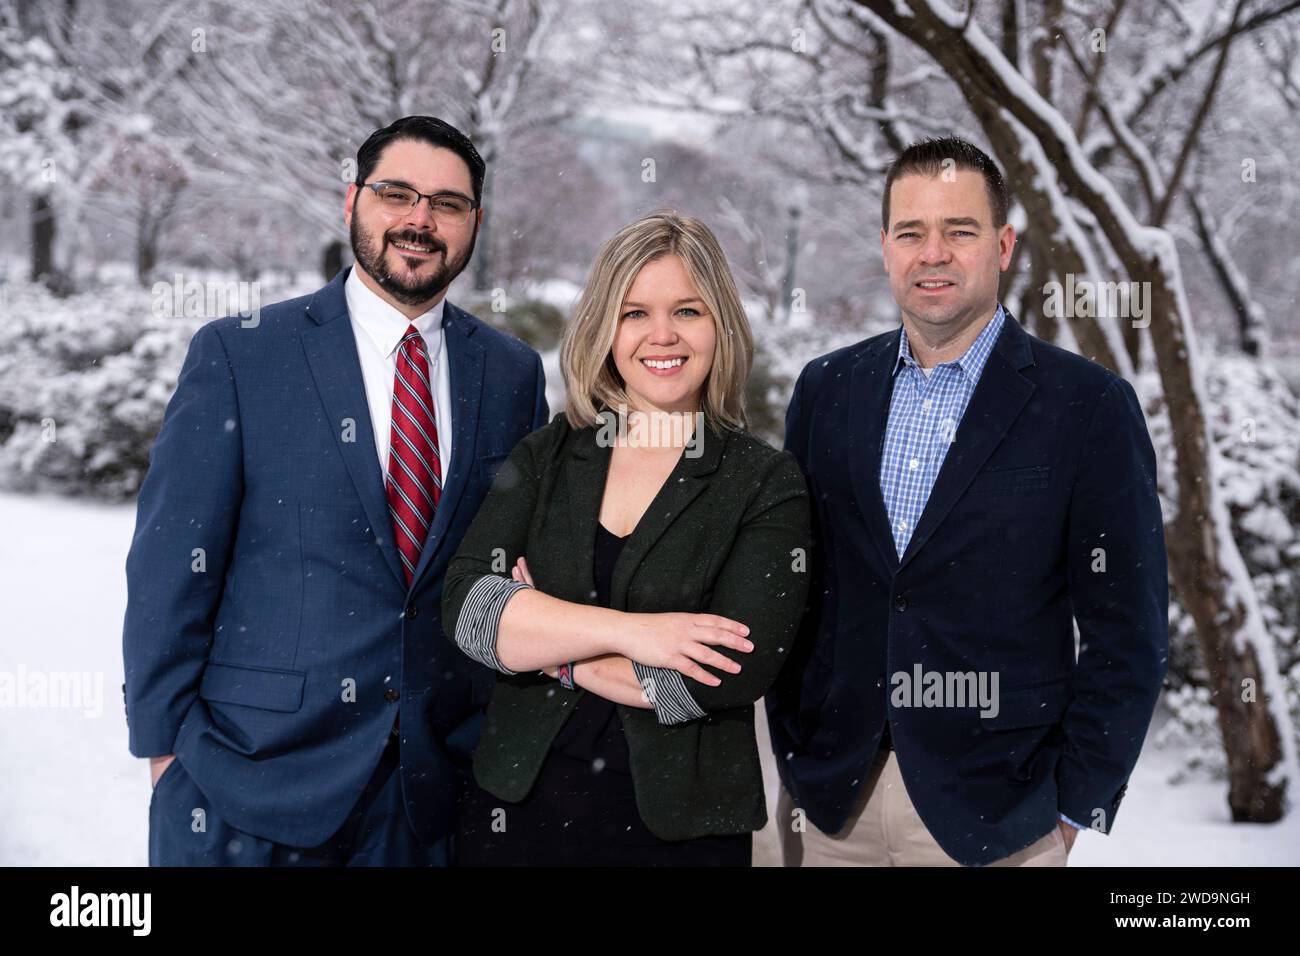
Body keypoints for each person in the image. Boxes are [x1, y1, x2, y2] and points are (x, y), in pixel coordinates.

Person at [122, 115, 548, 866]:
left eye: (447, 204)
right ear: (351, 200)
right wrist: (165, 757)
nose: (420, 219)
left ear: (474, 222)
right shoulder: (241, 353)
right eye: (397, 194)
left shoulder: (512, 374)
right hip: (246, 783)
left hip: (429, 799)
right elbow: (170, 565)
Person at [767, 136, 1168, 867]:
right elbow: (798, 583)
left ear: (1004, 244)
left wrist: (1075, 807)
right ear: (885, 246)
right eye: (912, 233)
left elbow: (1129, 630)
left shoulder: (1088, 406)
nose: (934, 253)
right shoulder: (825, 389)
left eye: (960, 231)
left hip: (999, 816)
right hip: (831, 804)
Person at [441, 211, 811, 866]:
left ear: (720, 323)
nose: (661, 335)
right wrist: (637, 633)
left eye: (687, 311)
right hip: (518, 814)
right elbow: (470, 613)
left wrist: (548, 645)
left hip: (680, 832)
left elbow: (719, 674)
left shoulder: (763, 481)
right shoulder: (548, 455)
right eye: (635, 312)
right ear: (605, 327)